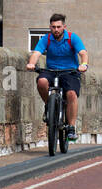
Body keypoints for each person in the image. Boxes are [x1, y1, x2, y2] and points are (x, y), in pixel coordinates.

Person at [25, 13, 89, 141]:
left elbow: (83, 53)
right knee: (42, 82)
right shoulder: (47, 39)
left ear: (64, 26)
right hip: (51, 70)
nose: (56, 30)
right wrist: (32, 63)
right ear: (50, 27)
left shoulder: (72, 38)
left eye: (58, 27)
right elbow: (36, 53)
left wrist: (84, 64)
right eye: (53, 27)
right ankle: (49, 105)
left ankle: (71, 127)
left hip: (70, 71)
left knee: (71, 94)